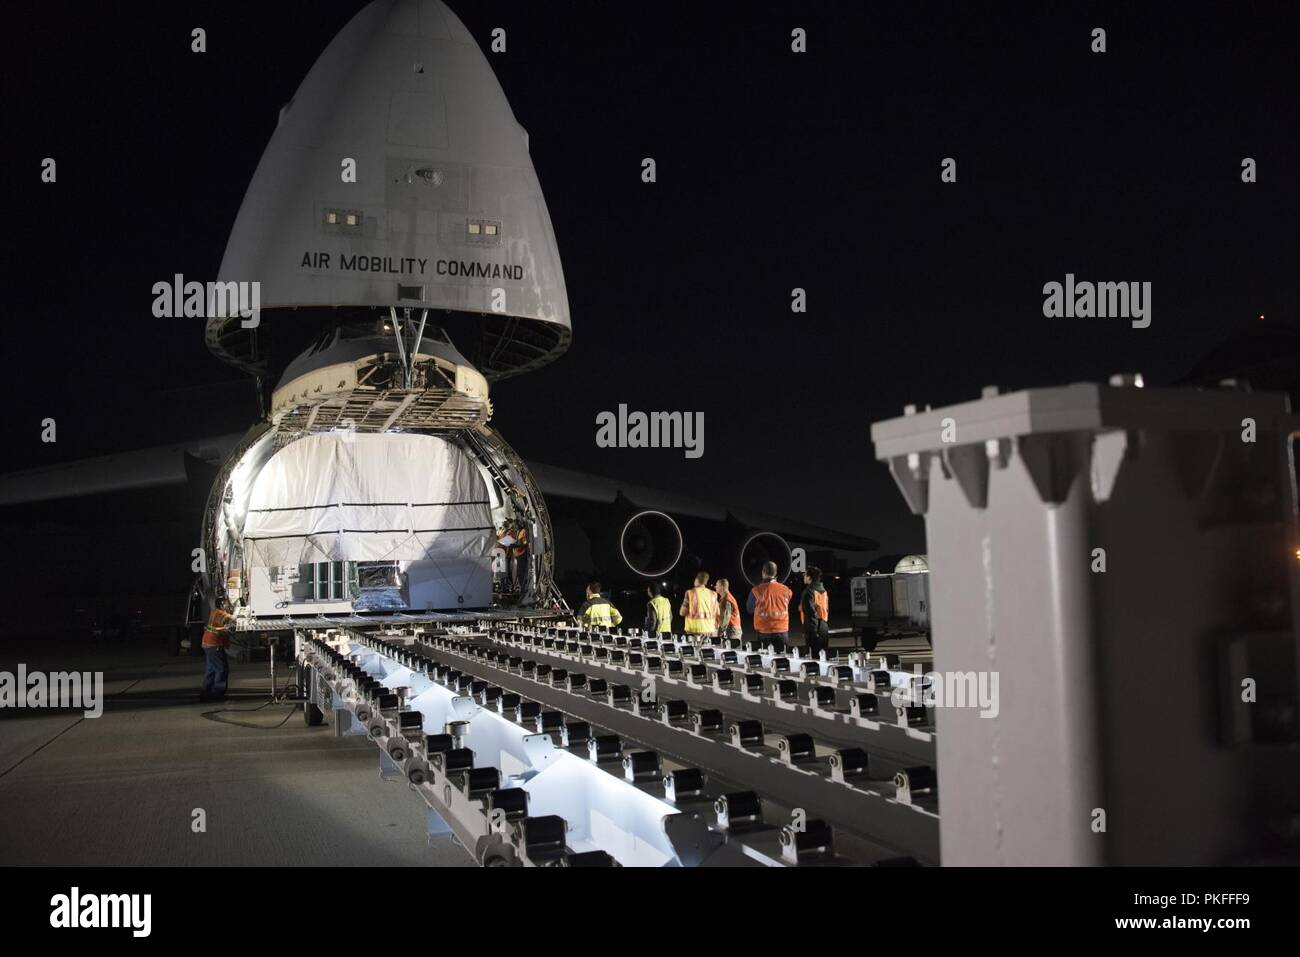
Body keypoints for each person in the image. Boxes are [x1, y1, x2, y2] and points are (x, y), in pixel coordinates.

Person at [746, 560, 793, 652]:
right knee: (782, 661)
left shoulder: (756, 590)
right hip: (782, 631)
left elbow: (750, 610)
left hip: (764, 632)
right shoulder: (786, 590)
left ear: (763, 572)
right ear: (775, 573)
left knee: (767, 663)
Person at [199, 603, 235, 701]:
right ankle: (217, 694)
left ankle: (205, 692)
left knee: (211, 669)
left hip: (207, 643)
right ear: (223, 605)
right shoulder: (220, 614)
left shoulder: (214, 612)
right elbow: (229, 618)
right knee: (221, 669)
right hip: (213, 644)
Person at [799, 566, 830, 658]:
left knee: (814, 657)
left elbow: (810, 612)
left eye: (805, 575)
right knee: (823, 656)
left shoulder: (808, 591)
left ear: (809, 577)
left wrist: (813, 630)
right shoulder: (823, 590)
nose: (803, 577)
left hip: (813, 627)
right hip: (824, 626)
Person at [680, 571, 719, 637]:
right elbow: (717, 613)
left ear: (697, 580)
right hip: (710, 631)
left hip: (694, 631)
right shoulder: (713, 594)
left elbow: (682, 612)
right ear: (705, 582)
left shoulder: (690, 593)